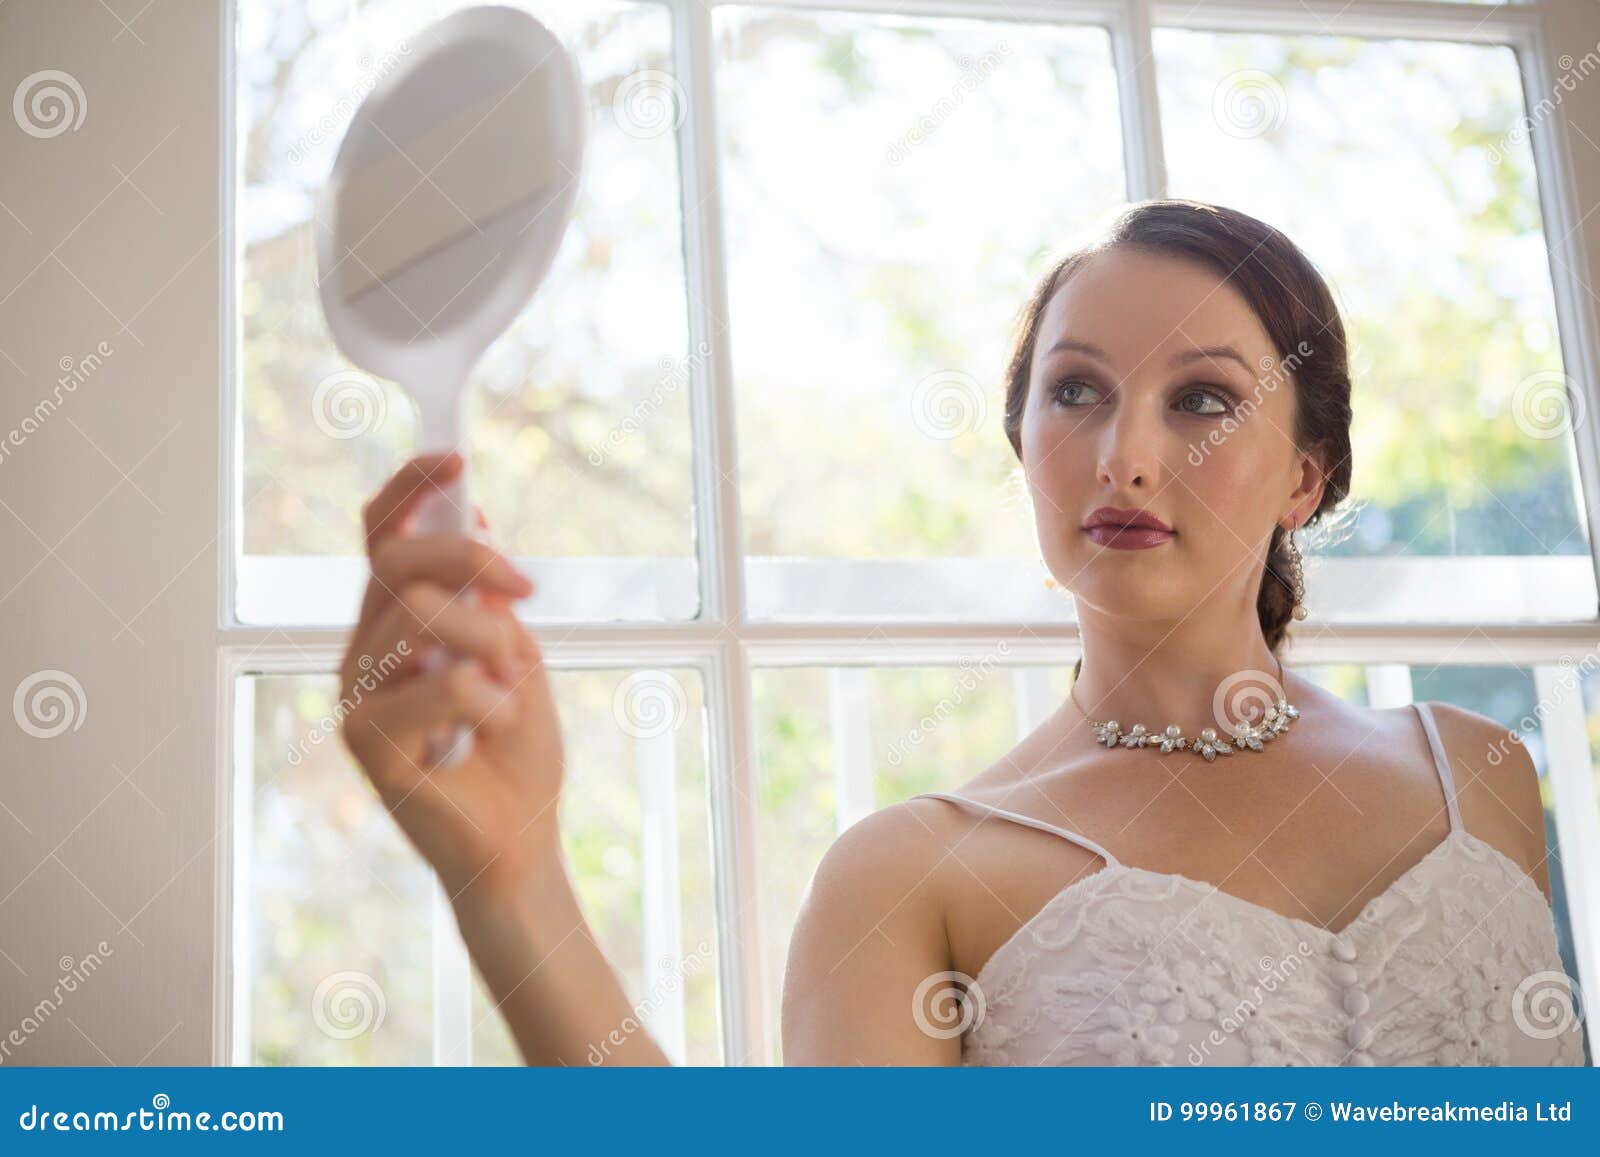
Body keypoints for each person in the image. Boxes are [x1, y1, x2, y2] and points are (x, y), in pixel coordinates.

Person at [337, 199, 1587, 1066]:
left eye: (1201, 398)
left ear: (1304, 477)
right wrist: (510, 884)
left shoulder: (1477, 774)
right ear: (1025, 446)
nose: (1124, 455)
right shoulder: (913, 877)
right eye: (1076, 391)